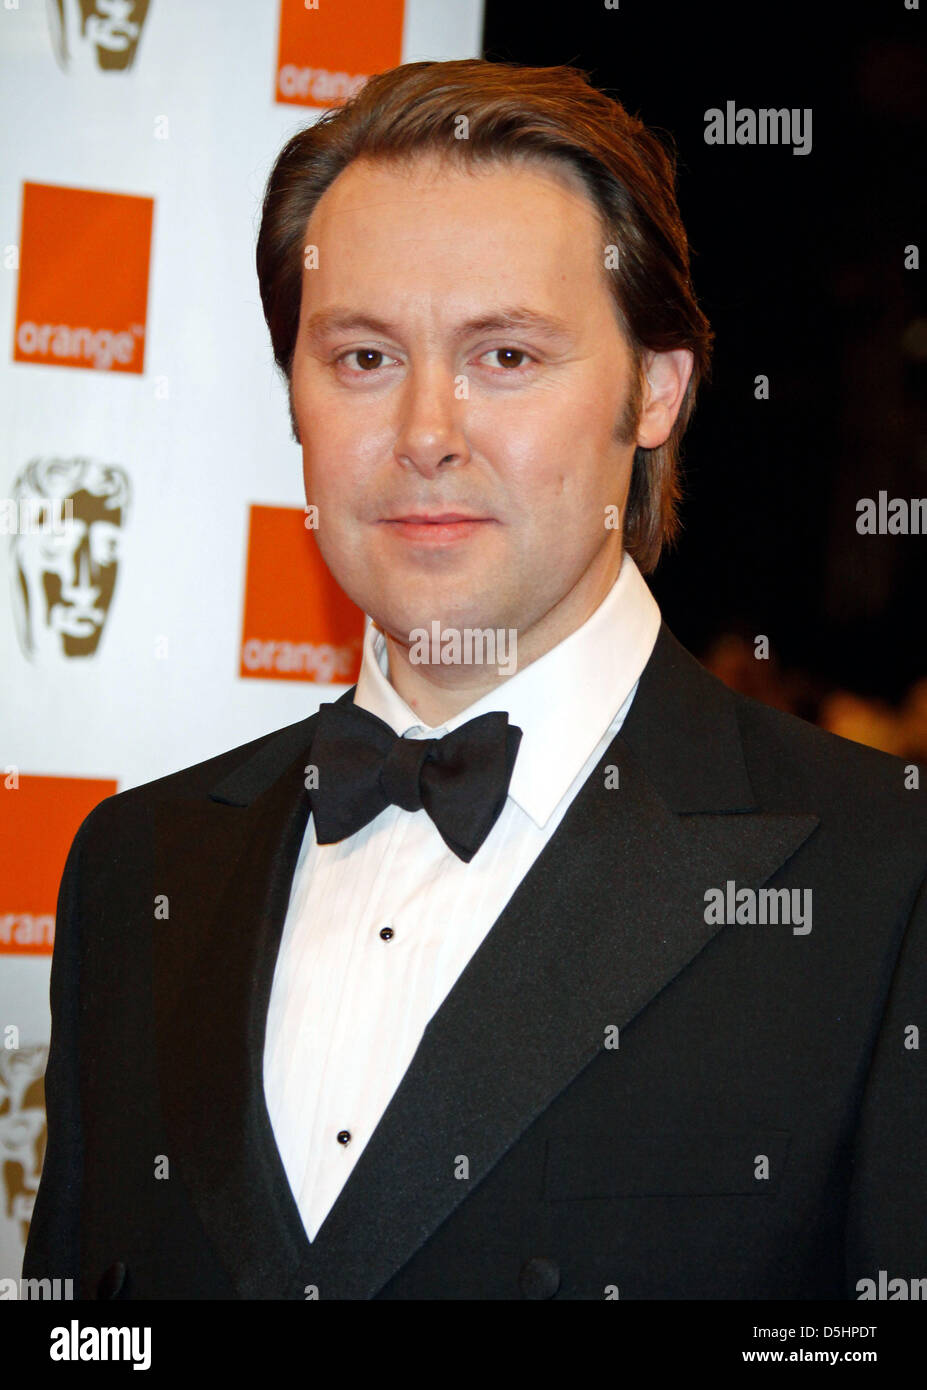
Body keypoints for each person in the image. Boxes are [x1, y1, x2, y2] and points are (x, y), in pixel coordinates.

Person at [24, 58, 927, 1301]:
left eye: (505, 355)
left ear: (655, 391)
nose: (426, 431)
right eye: (362, 358)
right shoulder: (135, 868)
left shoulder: (887, 883)